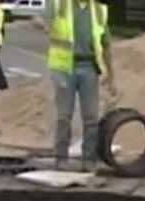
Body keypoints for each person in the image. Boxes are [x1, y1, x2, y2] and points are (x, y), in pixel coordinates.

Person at [38, 0, 115, 171]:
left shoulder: (99, 10)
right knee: (64, 116)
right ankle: (61, 158)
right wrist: (44, 24)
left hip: (89, 68)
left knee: (91, 117)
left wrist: (111, 75)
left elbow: (106, 43)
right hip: (64, 67)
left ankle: (88, 160)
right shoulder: (60, 5)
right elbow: (42, 19)